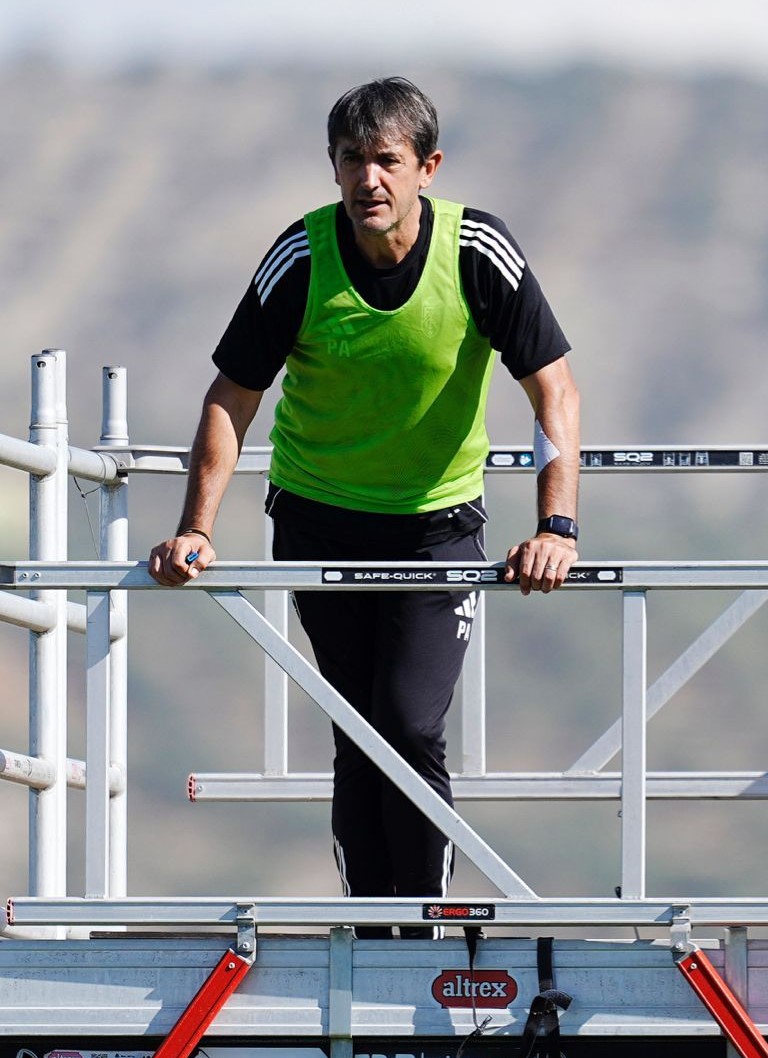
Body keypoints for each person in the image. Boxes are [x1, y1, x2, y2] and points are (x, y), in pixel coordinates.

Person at [148, 78, 581, 935]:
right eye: (351, 160)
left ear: (427, 167)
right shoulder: (301, 258)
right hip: (320, 521)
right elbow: (231, 397)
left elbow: (554, 390)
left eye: (387, 160)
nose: (368, 180)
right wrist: (197, 529)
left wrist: (555, 527)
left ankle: (422, 922)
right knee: (359, 731)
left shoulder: (477, 253)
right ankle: (374, 927)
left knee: (410, 723)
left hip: (437, 527)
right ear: (333, 167)